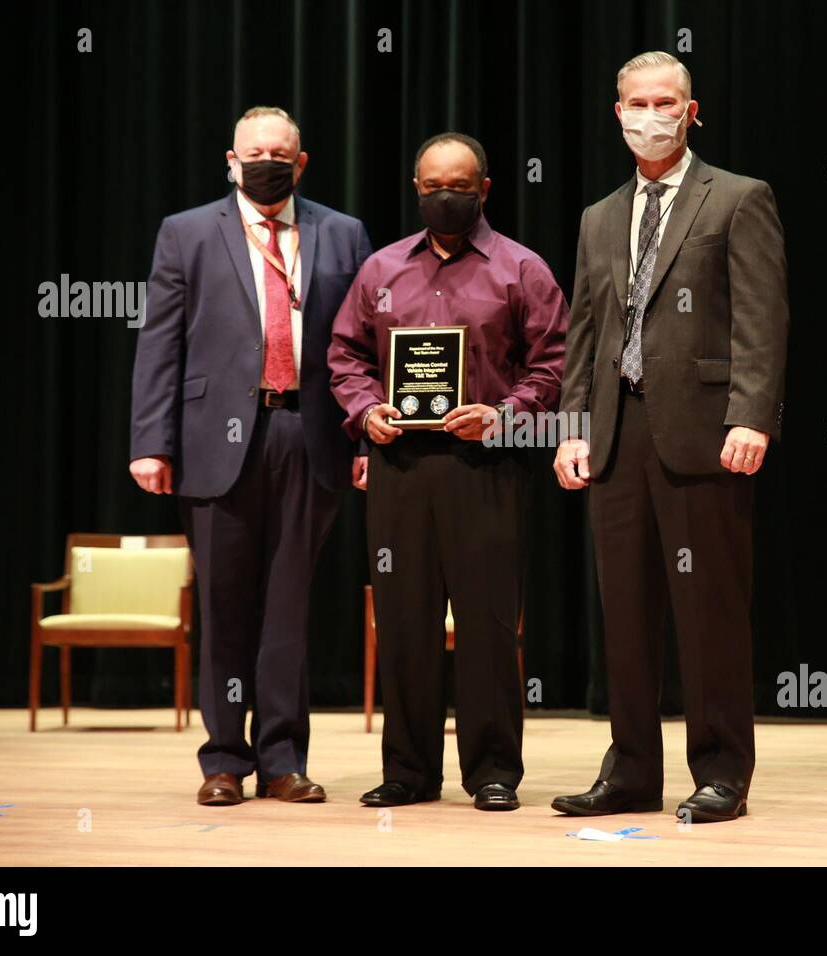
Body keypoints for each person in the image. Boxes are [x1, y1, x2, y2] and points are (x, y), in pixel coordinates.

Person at [551, 52, 789, 823]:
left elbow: (762, 316)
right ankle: (629, 771)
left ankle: (722, 769)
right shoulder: (598, 217)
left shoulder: (738, 199)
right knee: (624, 614)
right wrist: (571, 428)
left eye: (666, 101)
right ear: (615, 111)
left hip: (703, 430)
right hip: (618, 432)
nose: (650, 113)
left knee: (709, 610)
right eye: (637, 101)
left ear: (692, 112)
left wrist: (751, 413)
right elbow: (584, 333)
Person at [129, 106, 371, 806]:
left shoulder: (343, 232)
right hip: (214, 439)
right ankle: (223, 762)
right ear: (231, 162)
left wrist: (362, 437)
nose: (268, 161)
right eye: (254, 151)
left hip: (309, 431)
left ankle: (283, 759)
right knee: (225, 605)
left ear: (301, 163)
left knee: (289, 606)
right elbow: (160, 344)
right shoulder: (187, 232)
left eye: (281, 153)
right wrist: (151, 440)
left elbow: (358, 345)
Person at [328, 133, 567, 811]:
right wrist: (365, 408)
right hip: (398, 468)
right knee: (404, 622)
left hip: (484, 469)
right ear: (416, 189)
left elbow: (555, 361)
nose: (445, 197)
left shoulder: (522, 270)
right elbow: (345, 353)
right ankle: (408, 771)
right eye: (433, 187)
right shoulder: (380, 271)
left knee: (488, 625)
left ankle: (492, 771)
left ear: (485, 189)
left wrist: (503, 414)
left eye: (458, 185)